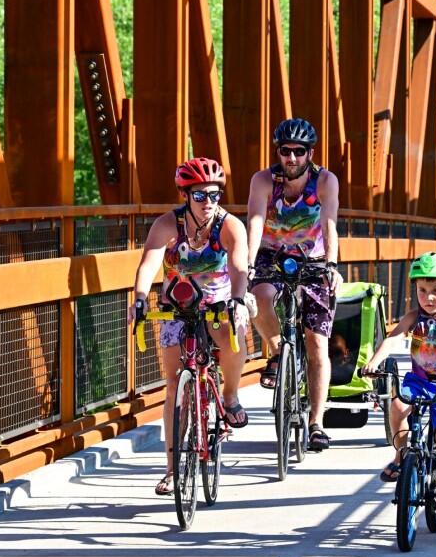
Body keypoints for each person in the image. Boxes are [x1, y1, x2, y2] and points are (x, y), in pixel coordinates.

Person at [128, 157, 252, 496]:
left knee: (233, 333)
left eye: (215, 195)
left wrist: (239, 300)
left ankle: (228, 396)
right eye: (200, 196)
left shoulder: (229, 226)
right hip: (176, 305)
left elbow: (240, 268)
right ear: (186, 196)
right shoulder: (168, 225)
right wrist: (139, 299)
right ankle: (171, 469)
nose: (208, 203)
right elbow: (148, 264)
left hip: (217, 302)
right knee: (173, 384)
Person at [362, 252, 436, 523]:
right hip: (418, 381)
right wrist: (374, 362)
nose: (428, 297)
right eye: (422, 290)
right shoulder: (414, 316)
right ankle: (400, 455)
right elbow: (392, 340)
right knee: (397, 404)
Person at [247, 118, 342, 452]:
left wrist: (331, 264)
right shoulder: (263, 180)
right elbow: (255, 221)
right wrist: (246, 264)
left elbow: (330, 225)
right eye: (285, 151)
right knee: (258, 296)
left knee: (317, 343)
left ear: (309, 153)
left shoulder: (325, 181)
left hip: (313, 258)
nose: (291, 158)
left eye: (299, 152)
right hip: (271, 254)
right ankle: (277, 352)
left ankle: (316, 422)